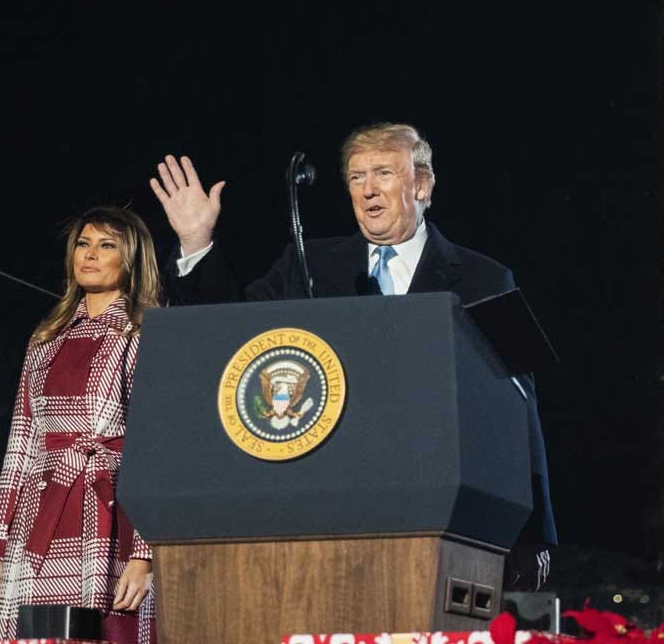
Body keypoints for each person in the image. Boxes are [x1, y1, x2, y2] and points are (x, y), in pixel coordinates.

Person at [149, 122, 556, 589]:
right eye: (357, 177)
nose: (368, 189)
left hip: (442, 513)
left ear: (422, 185)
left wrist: (533, 531)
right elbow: (230, 333)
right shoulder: (308, 265)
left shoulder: (484, 279)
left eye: (384, 173)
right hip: (326, 507)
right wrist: (197, 242)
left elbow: (518, 408)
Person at [0, 207, 162, 643]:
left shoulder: (144, 333)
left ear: (131, 259)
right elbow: (19, 448)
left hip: (110, 511)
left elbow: (154, 447)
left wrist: (144, 553)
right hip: (40, 513)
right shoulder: (46, 338)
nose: (90, 254)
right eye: (83, 244)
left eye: (106, 245)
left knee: (107, 630)